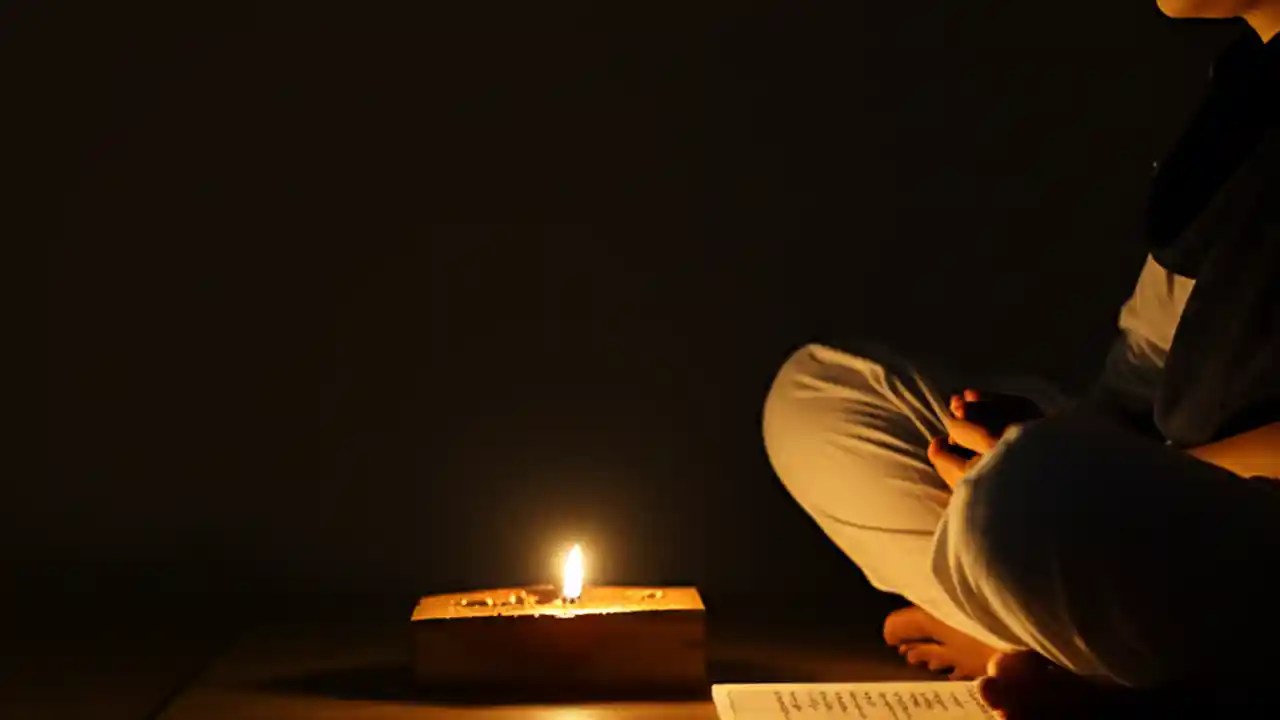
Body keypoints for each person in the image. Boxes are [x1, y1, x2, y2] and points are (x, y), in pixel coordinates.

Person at [763, 1, 1278, 716]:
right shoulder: (1248, 96)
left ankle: (1089, 666)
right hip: (1164, 506)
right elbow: (1141, 373)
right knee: (820, 398)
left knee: (1028, 496)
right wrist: (1055, 442)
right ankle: (1064, 652)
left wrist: (1082, 467)